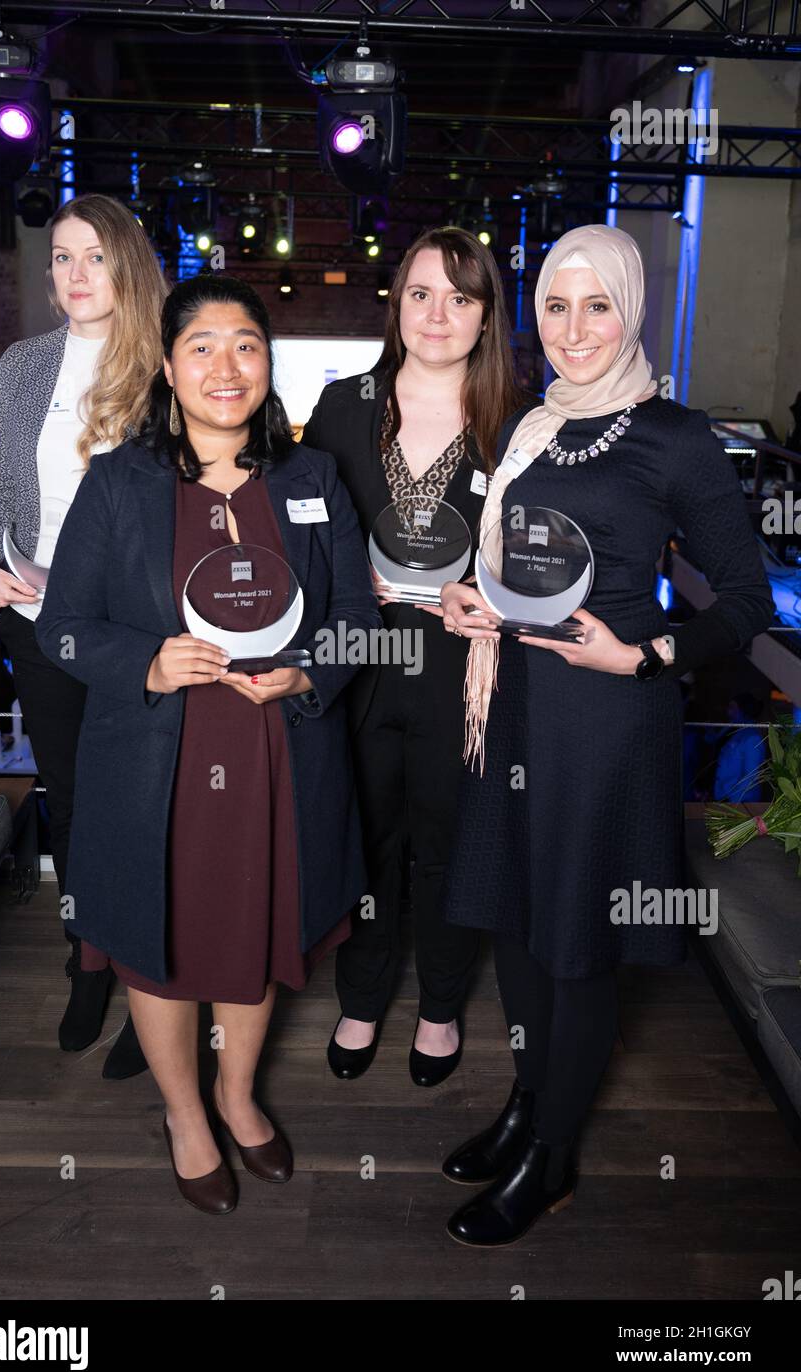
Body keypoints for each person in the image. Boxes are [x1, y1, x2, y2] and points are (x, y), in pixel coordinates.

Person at [438, 223, 773, 1247]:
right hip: (524, 710)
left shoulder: (675, 435)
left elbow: (748, 603)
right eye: (554, 304)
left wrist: (643, 655)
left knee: (576, 946)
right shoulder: (531, 425)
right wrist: (474, 605)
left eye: (597, 304)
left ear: (630, 308)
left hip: (611, 722)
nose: (573, 328)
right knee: (515, 925)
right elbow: (514, 567)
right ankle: (532, 1102)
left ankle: (553, 1157)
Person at [36, 273, 381, 1214]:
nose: (226, 367)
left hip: (279, 753)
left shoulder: (311, 478)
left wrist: (311, 670)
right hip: (160, 760)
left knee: (258, 925)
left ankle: (238, 1094)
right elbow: (60, 628)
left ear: (269, 362)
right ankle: (186, 1113)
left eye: (246, 345)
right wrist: (148, 661)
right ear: (167, 366)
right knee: (161, 940)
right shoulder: (118, 483)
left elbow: (356, 615)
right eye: (202, 347)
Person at [301, 227, 525, 1085]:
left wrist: (491, 595)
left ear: (484, 314)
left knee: (447, 842)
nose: (438, 314)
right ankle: (360, 1002)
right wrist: (343, 571)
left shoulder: (518, 418)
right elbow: (301, 530)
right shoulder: (342, 404)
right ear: (397, 301)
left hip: (462, 668)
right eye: (422, 293)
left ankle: (438, 1008)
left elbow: (543, 554)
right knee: (364, 835)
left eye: (461, 298)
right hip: (359, 654)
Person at [0, 194, 166, 1077]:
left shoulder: (163, 366)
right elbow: (0, 482)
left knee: (147, 806)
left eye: (93, 257)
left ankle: (150, 982)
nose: (75, 275)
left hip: (133, 631)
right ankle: (88, 962)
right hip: (37, 625)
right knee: (73, 803)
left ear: (127, 265)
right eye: (61, 259)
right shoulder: (21, 365)